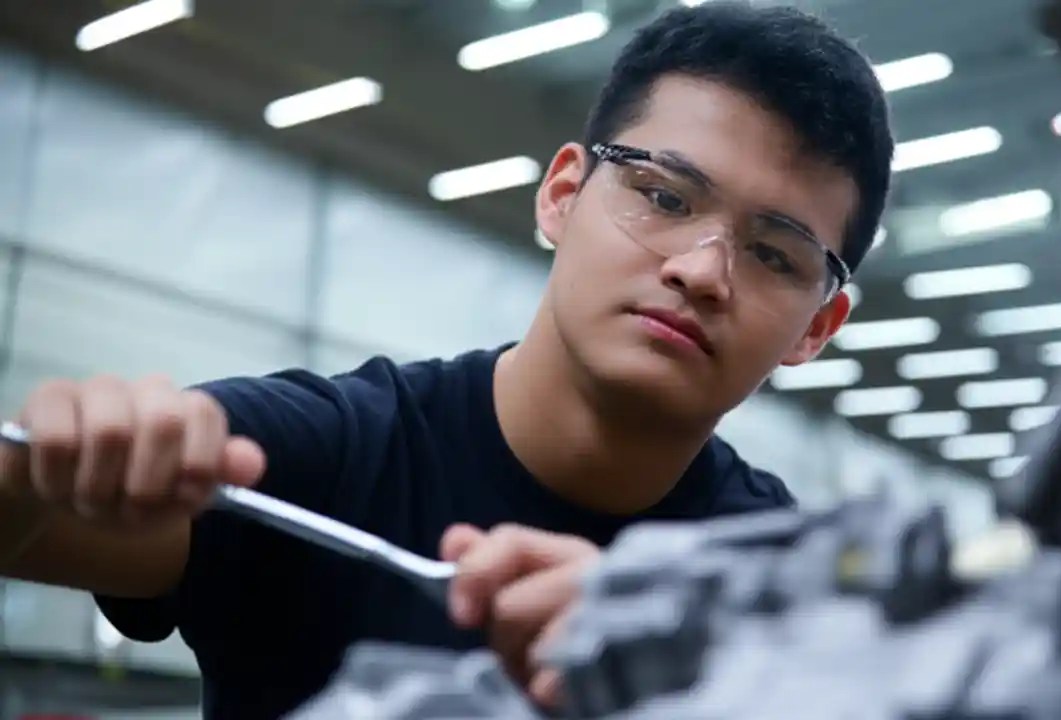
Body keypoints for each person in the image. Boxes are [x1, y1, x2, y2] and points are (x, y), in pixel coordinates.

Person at [0, 1, 893, 717]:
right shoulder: (328, 454)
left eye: (776, 255)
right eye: (663, 195)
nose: (702, 271)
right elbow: (34, 525)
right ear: (563, 195)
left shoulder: (783, 593)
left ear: (818, 327)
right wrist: (48, 469)